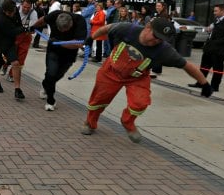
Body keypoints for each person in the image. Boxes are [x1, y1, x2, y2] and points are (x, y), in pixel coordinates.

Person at [81, 18, 213, 142]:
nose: (157, 41)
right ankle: (90, 123)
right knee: (98, 100)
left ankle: (127, 121)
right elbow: (107, 28)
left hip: (137, 78)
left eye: (161, 39)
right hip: (111, 72)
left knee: (140, 102)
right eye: (155, 36)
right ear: (148, 27)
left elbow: (187, 66)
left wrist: (204, 83)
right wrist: (91, 38)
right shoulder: (127, 29)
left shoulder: (165, 51)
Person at [38, 9, 88, 111]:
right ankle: (50, 101)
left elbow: (79, 43)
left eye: (65, 29)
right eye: (60, 29)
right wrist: (33, 26)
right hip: (53, 51)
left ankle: (45, 84)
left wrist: (60, 42)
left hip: (69, 54)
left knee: (58, 75)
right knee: (51, 73)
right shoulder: (54, 15)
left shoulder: (79, 21)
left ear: (71, 24)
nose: (62, 31)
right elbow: (43, 20)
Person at [0, 0, 27, 99]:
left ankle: (17, 89)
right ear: (4, 11)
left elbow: (18, 25)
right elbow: (12, 31)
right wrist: (26, 29)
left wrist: (24, 29)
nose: (11, 15)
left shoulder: (14, 10)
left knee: (15, 63)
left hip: (8, 42)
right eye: (9, 13)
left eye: (12, 12)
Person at [189, 4, 224, 93]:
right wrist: (209, 31)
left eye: (216, 11)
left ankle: (215, 86)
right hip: (209, 49)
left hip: (219, 51)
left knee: (217, 69)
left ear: (223, 11)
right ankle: (200, 83)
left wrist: (215, 42)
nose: (214, 13)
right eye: (214, 11)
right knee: (204, 67)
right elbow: (213, 32)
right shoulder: (216, 20)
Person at [150, 1, 173, 78]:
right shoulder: (158, 14)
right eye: (156, 6)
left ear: (163, 7)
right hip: (157, 35)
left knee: (157, 52)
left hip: (160, 36)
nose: (157, 7)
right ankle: (156, 69)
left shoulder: (165, 15)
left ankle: (156, 70)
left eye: (159, 6)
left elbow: (165, 27)